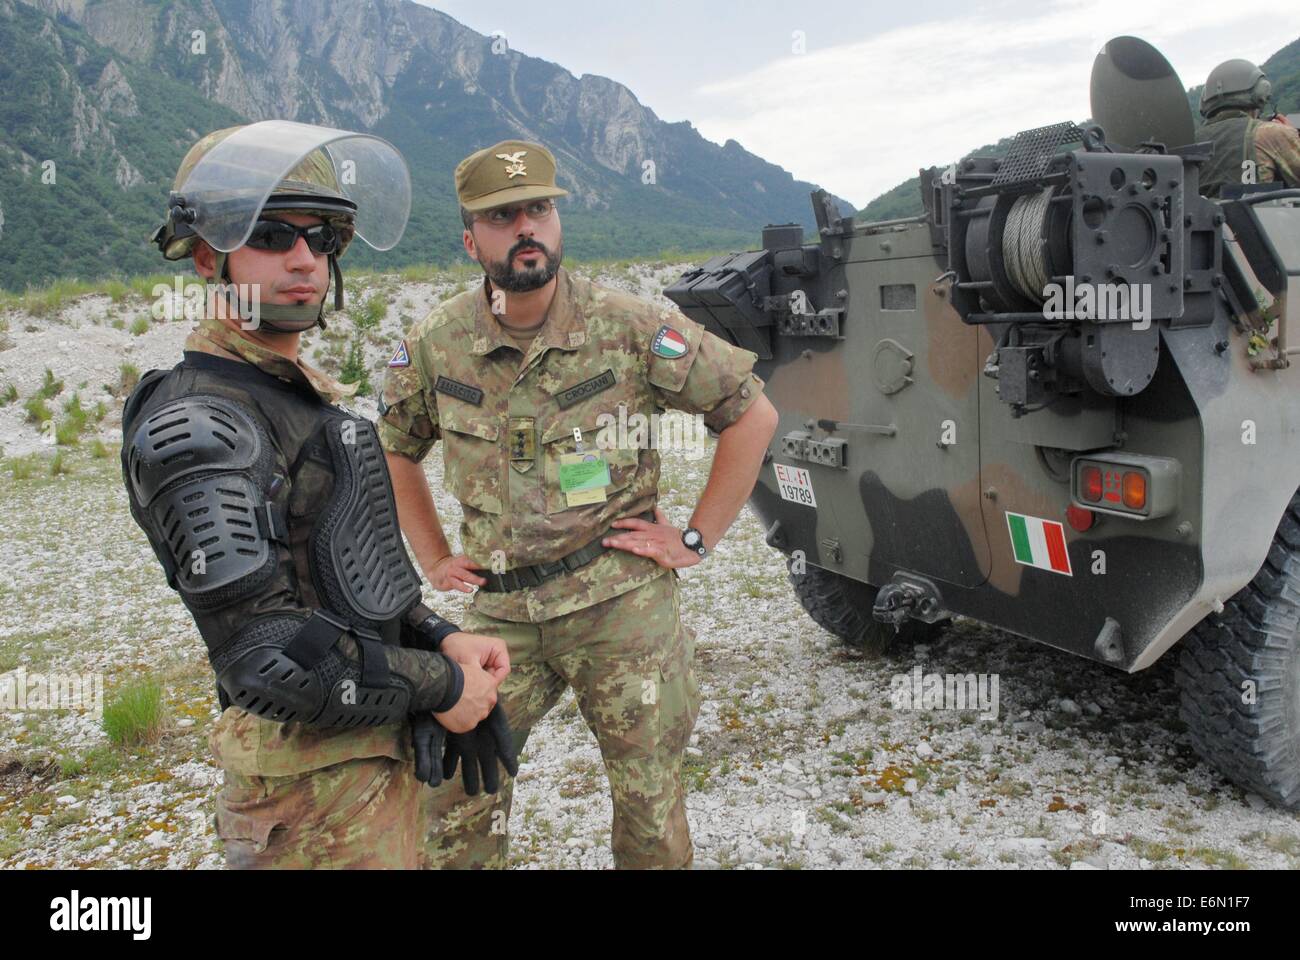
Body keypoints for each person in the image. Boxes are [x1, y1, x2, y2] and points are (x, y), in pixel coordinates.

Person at [120, 121, 515, 869]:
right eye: (270, 234)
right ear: (208, 255)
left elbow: (345, 577)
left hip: (365, 768)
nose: (303, 259)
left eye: (324, 234)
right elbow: (267, 659)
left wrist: (436, 635)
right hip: (304, 803)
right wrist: (440, 685)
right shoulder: (202, 422)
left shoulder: (287, 397)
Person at [378, 138, 780, 868]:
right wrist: (433, 556)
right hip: (502, 615)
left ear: (558, 223)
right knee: (454, 796)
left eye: (538, 209)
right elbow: (395, 445)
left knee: (649, 806)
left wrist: (694, 540)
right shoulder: (439, 344)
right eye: (503, 217)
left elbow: (750, 414)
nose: (526, 227)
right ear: (472, 240)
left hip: (620, 605)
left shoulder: (628, 327)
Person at [1195, 58, 1300, 198]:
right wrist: (1292, 135)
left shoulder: (1190, 141)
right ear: (1260, 93)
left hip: (1204, 218)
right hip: (1260, 219)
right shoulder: (1271, 133)